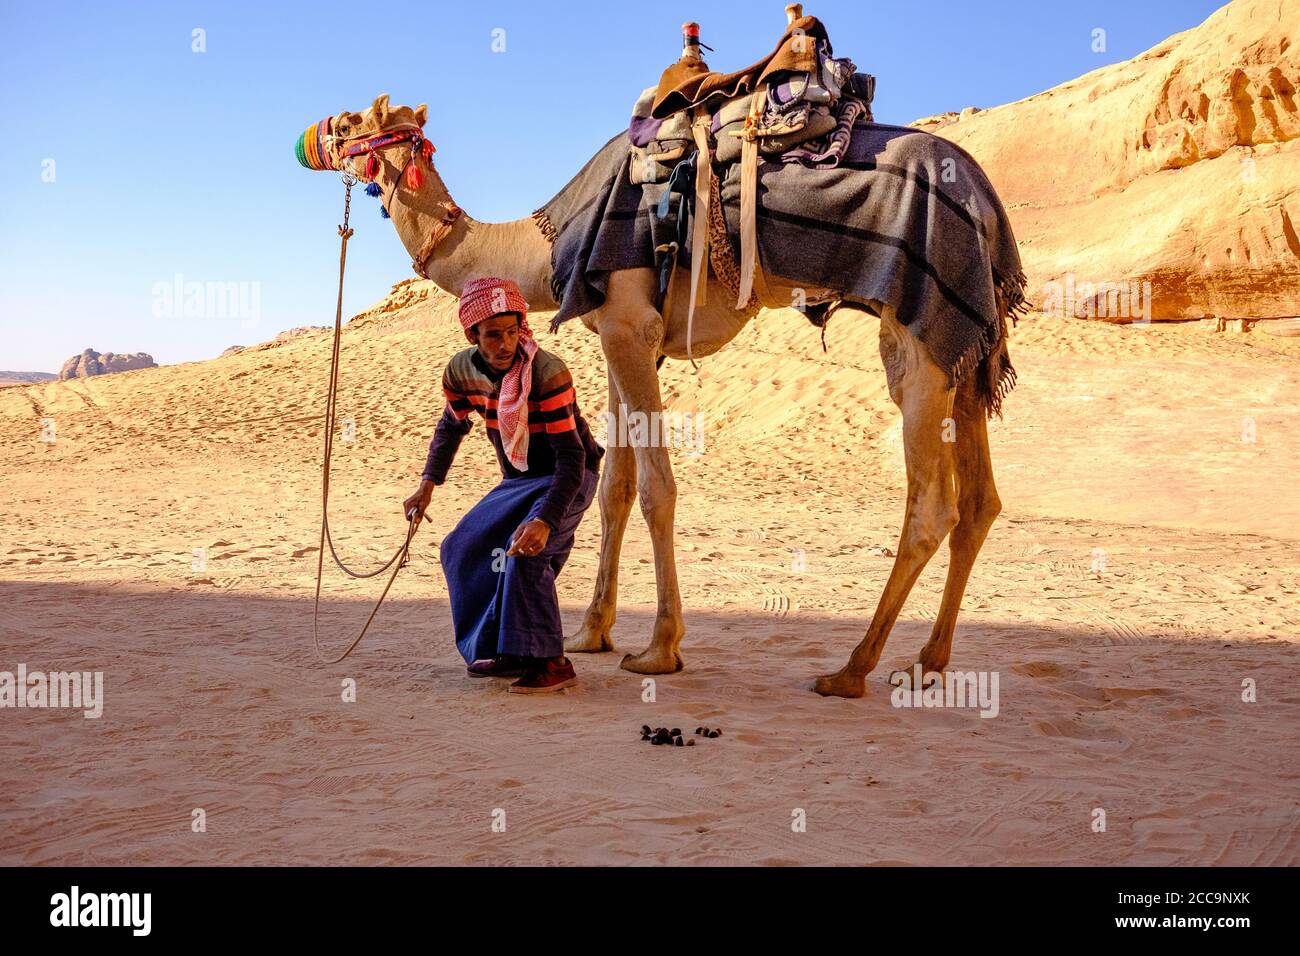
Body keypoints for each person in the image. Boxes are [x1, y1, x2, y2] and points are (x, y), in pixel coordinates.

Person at [403, 277, 604, 693]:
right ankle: (506, 649)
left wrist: (546, 520)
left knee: (526, 550)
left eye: (513, 332)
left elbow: (572, 456)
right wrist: (427, 484)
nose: (505, 344)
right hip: (520, 479)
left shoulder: (547, 373)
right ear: (472, 335)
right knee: (461, 547)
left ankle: (552, 661)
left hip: (570, 475)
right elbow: (451, 426)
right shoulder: (461, 372)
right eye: (493, 335)